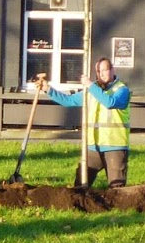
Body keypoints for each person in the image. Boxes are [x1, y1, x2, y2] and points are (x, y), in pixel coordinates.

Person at [36, 57, 132, 187]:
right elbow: (68, 101)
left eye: (104, 70)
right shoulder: (91, 91)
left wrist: (90, 85)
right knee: (80, 184)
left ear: (112, 70)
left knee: (117, 188)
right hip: (93, 146)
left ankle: (117, 207)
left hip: (114, 146)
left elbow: (110, 103)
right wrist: (48, 89)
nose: (101, 74)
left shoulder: (121, 90)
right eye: (98, 71)